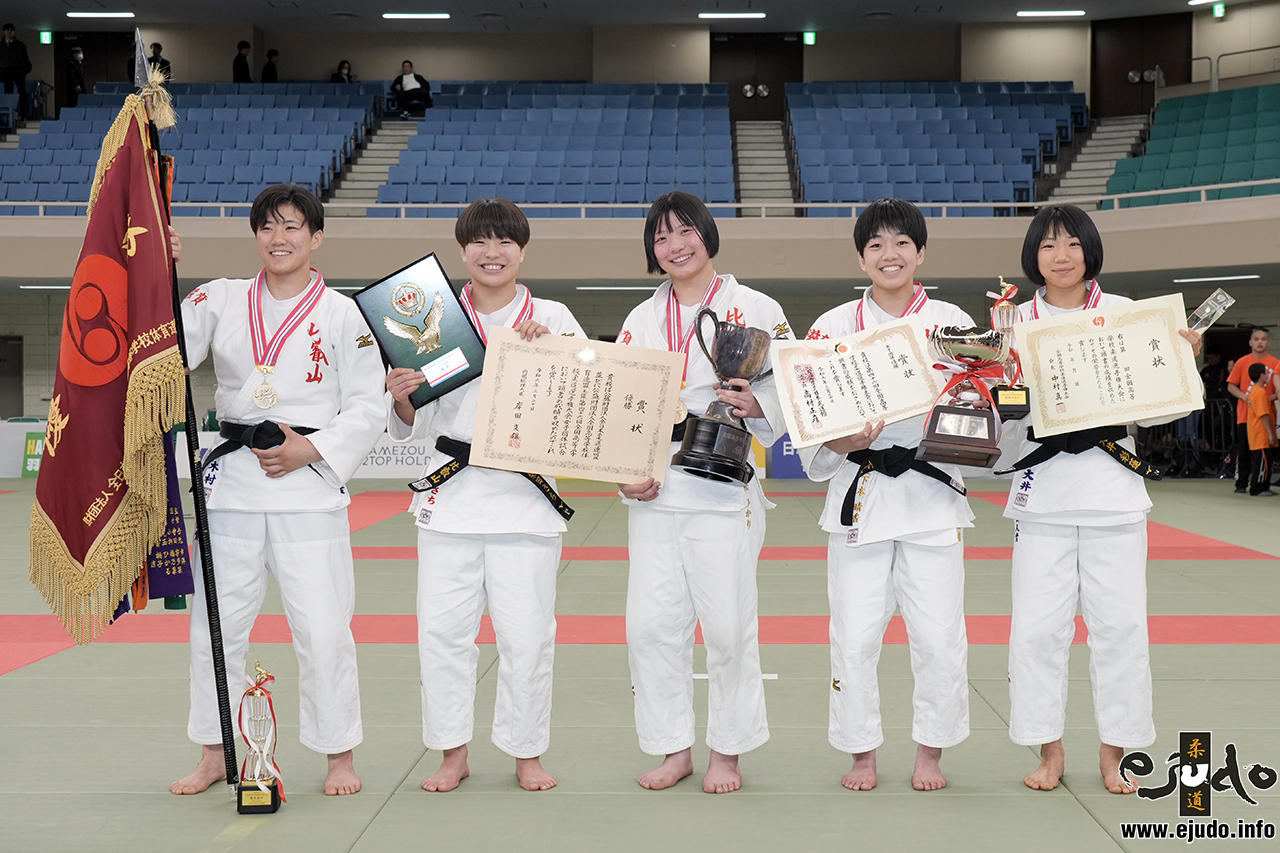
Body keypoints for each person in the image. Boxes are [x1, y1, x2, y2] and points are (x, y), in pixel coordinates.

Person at [169, 184, 386, 798]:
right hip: (234, 483)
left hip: (307, 484)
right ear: (255, 236)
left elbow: (368, 405)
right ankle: (216, 750)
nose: (279, 238)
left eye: (293, 227)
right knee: (214, 628)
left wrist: (308, 449)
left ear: (316, 238)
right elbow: (167, 349)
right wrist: (159, 270)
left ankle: (338, 754)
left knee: (322, 628)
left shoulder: (346, 314)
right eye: (267, 227)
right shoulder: (221, 298)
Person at [999, 204, 1202, 795]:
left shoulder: (1127, 317)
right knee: (1038, 631)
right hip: (1042, 495)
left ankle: (1114, 753)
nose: (1060, 256)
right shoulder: (1011, 322)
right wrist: (999, 387)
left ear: (1090, 249)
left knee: (1119, 628)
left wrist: (1181, 364)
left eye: (1070, 244)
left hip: (1113, 493)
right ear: (1033, 256)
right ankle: (1050, 750)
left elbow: (1164, 409)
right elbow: (1005, 423)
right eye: (1047, 246)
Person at [385, 198, 584, 793]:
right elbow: (409, 422)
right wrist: (399, 396)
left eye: (504, 242)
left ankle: (527, 754)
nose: (492, 253)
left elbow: (578, 411)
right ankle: (453, 753)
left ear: (522, 251)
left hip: (524, 499)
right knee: (442, 635)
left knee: (527, 637)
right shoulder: (428, 318)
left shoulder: (553, 316)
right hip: (451, 496)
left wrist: (551, 355)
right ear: (462, 249)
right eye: (480, 242)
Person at [616, 191, 792, 794]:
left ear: (708, 235)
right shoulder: (640, 319)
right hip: (656, 486)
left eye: (685, 231)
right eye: (661, 237)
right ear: (651, 250)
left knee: (726, 626)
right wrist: (623, 472)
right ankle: (672, 748)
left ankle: (728, 752)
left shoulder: (756, 307)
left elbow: (796, 392)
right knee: (650, 625)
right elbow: (621, 405)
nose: (674, 245)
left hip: (722, 484)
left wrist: (758, 404)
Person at [798, 197, 973, 792]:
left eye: (901, 242)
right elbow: (811, 416)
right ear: (861, 257)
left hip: (930, 494)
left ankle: (932, 753)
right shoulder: (832, 326)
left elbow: (977, 407)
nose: (889, 254)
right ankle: (861, 752)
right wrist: (841, 439)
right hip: (862, 490)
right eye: (876, 244)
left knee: (938, 636)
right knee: (853, 633)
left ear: (920, 252)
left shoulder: (952, 321)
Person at [1227, 328, 1279, 493]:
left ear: (1268, 342)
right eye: (1256, 339)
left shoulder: (1275, 363)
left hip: (1266, 414)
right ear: (1250, 342)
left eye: (1263, 339)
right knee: (1243, 452)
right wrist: (1246, 397)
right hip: (1245, 415)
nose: (1260, 342)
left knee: (1263, 453)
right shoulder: (1242, 362)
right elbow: (1231, 385)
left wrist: (1266, 399)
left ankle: (1260, 484)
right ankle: (1241, 483)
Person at [1245, 362, 1277, 496]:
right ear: (1262, 376)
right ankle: (1257, 488)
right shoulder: (1260, 392)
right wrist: (1271, 433)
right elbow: (1263, 414)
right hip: (1261, 434)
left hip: (1256, 434)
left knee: (1264, 462)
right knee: (1262, 463)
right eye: (1267, 372)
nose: (1269, 375)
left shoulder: (1255, 391)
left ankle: (1263, 486)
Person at [0, 24, 30, 120]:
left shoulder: (20, 45)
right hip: (5, 72)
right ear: (4, 31)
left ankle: (23, 115)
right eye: (8, 30)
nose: (10, 32)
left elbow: (25, 59)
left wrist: (26, 69)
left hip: (18, 72)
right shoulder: (1, 45)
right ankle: (9, 116)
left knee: (22, 93)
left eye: (12, 30)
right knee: (8, 94)